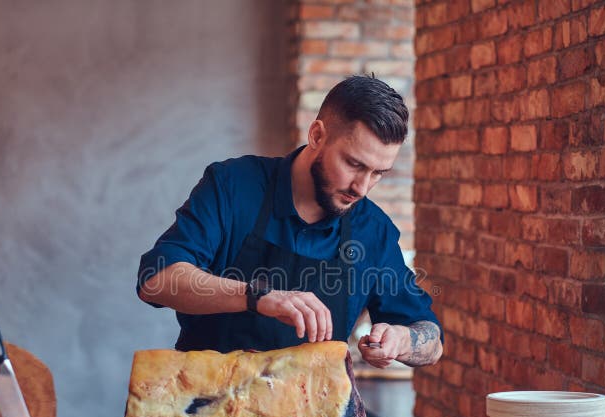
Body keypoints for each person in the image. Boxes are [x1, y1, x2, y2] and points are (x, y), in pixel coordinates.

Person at [137, 75, 442, 368]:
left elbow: (432, 341)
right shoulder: (233, 185)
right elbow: (156, 281)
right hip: (210, 397)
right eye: (353, 164)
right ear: (317, 135)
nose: (362, 188)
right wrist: (258, 296)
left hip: (313, 403)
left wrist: (402, 340)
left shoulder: (372, 231)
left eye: (378, 173)